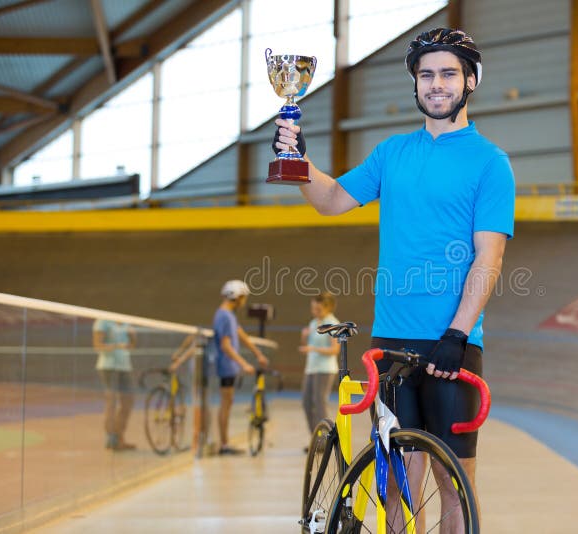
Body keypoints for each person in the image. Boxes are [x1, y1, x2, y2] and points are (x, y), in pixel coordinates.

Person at [274, 27, 515, 528]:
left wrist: (457, 333)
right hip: (391, 339)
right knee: (395, 483)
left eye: (448, 73)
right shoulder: (392, 152)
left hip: (453, 343)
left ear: (471, 80)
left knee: (455, 483)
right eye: (426, 75)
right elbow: (331, 201)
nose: (436, 84)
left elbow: (487, 258)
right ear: (416, 84)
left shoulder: (490, 162)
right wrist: (298, 159)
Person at [213, 280, 270, 455]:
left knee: (227, 403)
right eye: (243, 297)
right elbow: (226, 345)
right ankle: (224, 444)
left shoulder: (227, 315)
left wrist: (257, 353)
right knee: (226, 403)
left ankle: (225, 443)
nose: (245, 301)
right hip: (226, 366)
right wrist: (243, 363)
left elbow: (241, 335)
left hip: (229, 366)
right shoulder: (224, 316)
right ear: (236, 297)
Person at [299, 292, 340, 439]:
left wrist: (314, 349)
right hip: (311, 368)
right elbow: (306, 347)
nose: (315, 312)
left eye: (318, 309)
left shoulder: (332, 323)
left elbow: (335, 350)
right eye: (313, 309)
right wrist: (304, 337)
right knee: (306, 403)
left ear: (328, 308)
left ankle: (325, 440)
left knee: (319, 404)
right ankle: (316, 440)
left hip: (325, 369)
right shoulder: (313, 322)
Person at [92, 319, 137, 451]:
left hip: (125, 366)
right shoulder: (102, 322)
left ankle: (119, 436)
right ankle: (111, 438)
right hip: (108, 367)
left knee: (128, 402)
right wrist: (117, 346)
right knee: (112, 402)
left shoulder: (126, 322)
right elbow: (97, 346)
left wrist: (133, 337)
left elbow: (131, 346)